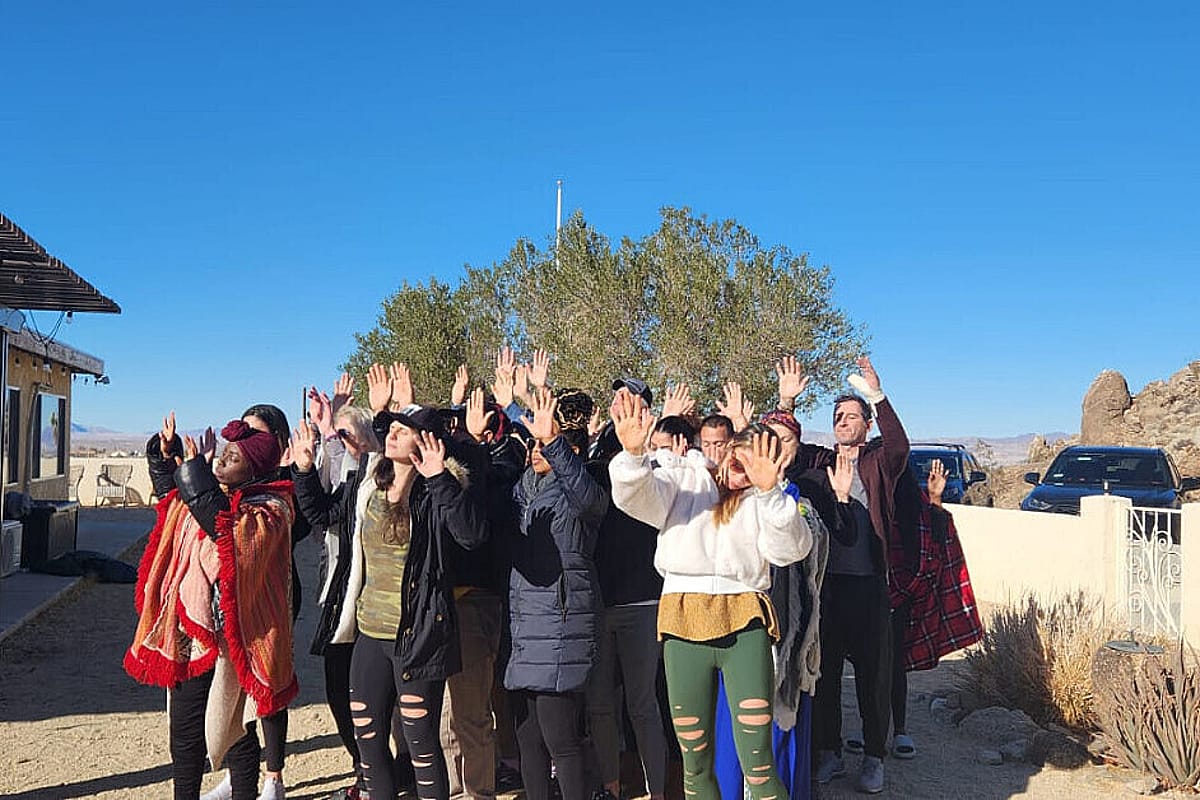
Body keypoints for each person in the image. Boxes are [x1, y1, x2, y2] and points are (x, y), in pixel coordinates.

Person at [291, 363, 488, 800]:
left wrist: (439, 477)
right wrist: (304, 472)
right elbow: (325, 517)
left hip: (417, 637)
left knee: (420, 749)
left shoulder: (439, 491)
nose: (394, 432)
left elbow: (472, 536)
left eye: (405, 428)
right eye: (393, 427)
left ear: (427, 442)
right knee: (369, 745)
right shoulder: (368, 486)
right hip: (369, 635)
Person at [607, 391, 813, 800]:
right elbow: (637, 498)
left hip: (745, 625)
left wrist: (771, 493)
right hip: (683, 620)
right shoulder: (684, 479)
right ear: (727, 448)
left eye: (761, 461)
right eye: (742, 455)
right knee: (695, 763)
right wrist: (632, 456)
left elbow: (790, 549)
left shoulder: (764, 501)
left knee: (758, 762)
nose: (745, 467)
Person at [128, 416, 298, 800]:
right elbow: (174, 498)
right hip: (192, 632)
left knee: (232, 729)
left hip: (239, 639)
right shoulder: (215, 491)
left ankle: (247, 793)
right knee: (185, 732)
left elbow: (225, 527)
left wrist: (194, 473)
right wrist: (166, 454)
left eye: (232, 457)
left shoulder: (271, 507)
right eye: (222, 454)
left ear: (253, 468)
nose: (222, 461)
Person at [806, 357, 910, 795]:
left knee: (873, 675)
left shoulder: (877, 462)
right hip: (828, 587)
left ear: (866, 425)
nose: (842, 421)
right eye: (837, 417)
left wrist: (877, 395)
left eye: (850, 416)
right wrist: (787, 403)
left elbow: (901, 445)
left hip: (869, 585)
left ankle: (873, 756)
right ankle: (829, 752)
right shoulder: (819, 463)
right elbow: (783, 449)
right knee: (825, 674)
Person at [505, 387, 608, 800]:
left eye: (544, 446)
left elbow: (587, 498)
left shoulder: (584, 490)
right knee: (527, 735)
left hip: (561, 626)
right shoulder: (523, 490)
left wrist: (555, 444)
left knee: (561, 739)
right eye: (533, 445)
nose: (536, 451)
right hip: (523, 625)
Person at [585, 385, 672, 800]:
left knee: (642, 705)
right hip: (599, 600)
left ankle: (657, 789)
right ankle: (610, 786)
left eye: (631, 398)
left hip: (643, 599)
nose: (622, 403)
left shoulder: (661, 453)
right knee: (600, 704)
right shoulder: (594, 449)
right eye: (617, 397)